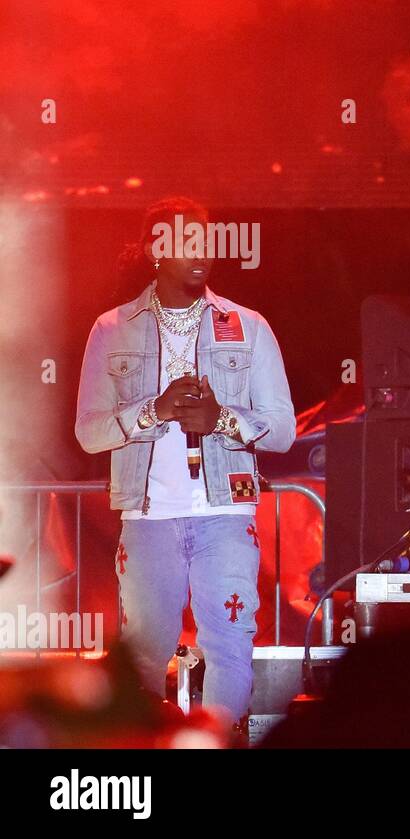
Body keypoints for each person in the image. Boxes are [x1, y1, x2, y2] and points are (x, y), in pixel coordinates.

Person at [75, 197, 296, 728]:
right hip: (148, 517)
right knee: (145, 654)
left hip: (226, 512)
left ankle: (217, 742)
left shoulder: (248, 325)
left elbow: (283, 430)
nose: (203, 253)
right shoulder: (112, 329)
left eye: (207, 242)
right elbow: (88, 432)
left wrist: (220, 419)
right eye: (187, 242)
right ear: (156, 249)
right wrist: (156, 409)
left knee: (229, 643)